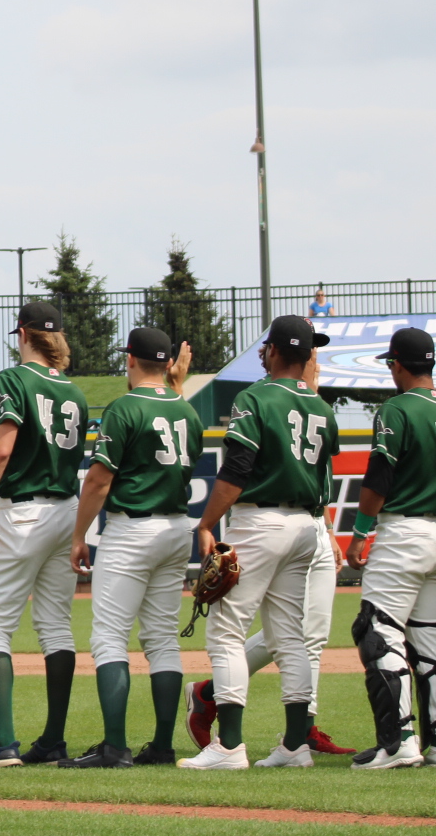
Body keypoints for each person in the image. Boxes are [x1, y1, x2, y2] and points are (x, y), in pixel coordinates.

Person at [181, 315, 337, 770]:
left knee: (227, 630)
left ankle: (228, 747)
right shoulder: (323, 409)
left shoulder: (255, 397)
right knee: (290, 636)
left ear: (269, 351)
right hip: (307, 525)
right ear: (308, 356)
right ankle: (294, 747)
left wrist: (207, 523)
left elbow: (237, 470)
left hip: (261, 522)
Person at [60, 328, 201, 768]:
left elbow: (100, 480)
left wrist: (79, 534)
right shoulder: (188, 410)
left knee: (109, 638)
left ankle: (115, 747)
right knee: (161, 639)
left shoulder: (124, 408)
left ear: (130, 359)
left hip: (132, 529)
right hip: (178, 528)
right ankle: (161, 745)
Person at [0, 300, 88, 767]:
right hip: (66, 510)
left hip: (25, 512)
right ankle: (52, 739)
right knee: (55, 626)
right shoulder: (73, 390)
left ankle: (4, 741)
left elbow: (0, 450)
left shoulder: (14, 378)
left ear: (22, 333)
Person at [349, 326, 436, 769]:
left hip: (406, 535)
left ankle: (398, 742)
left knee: (377, 632)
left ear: (397, 364)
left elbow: (379, 476)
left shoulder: (397, 410)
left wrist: (361, 531)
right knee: (430, 640)